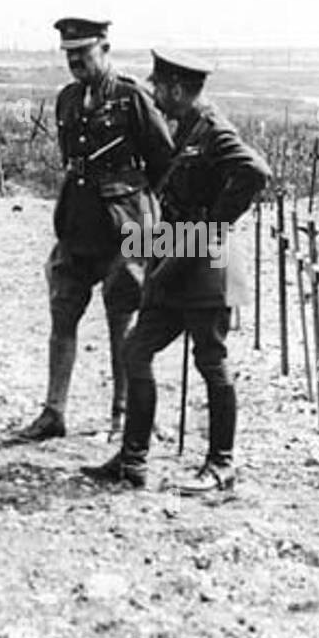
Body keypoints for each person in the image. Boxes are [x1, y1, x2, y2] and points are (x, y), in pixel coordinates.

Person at [85, 49, 271, 495]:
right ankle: (133, 461)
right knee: (136, 350)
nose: (154, 92)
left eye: (160, 86)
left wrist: (212, 227)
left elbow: (255, 172)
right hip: (175, 254)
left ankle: (222, 465)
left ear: (176, 89)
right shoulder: (180, 127)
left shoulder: (212, 127)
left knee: (210, 360)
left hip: (208, 261)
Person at [14, 18, 175, 442]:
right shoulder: (67, 98)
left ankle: (125, 415)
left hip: (128, 222)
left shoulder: (130, 96)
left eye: (83, 54)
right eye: (69, 55)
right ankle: (53, 413)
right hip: (78, 220)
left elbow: (163, 161)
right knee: (62, 309)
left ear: (104, 48)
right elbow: (73, 160)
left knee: (122, 313)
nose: (75, 63)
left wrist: (142, 205)